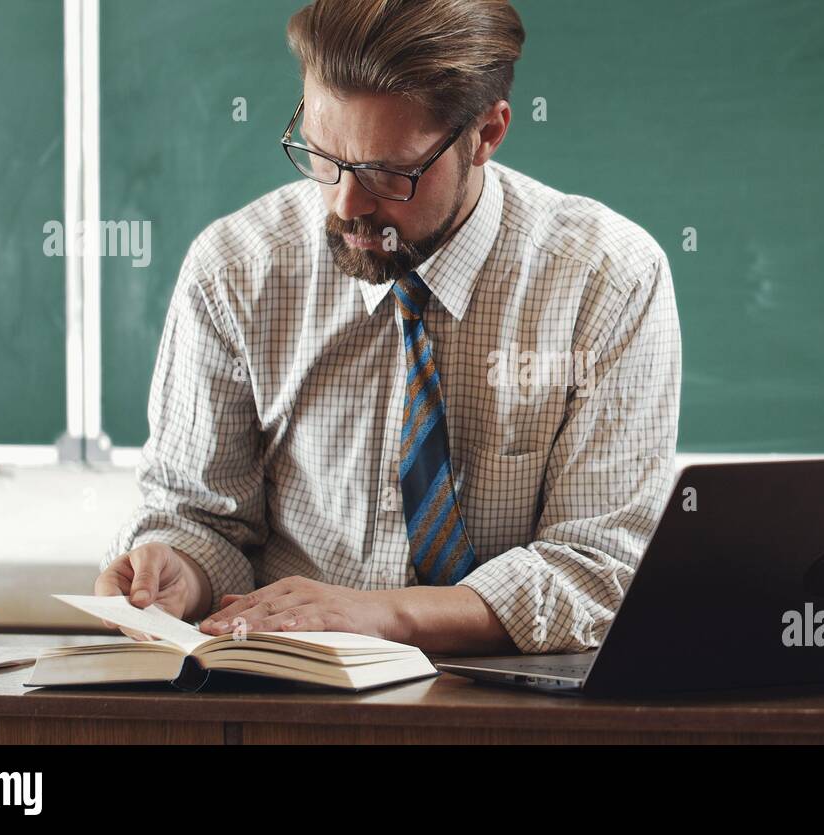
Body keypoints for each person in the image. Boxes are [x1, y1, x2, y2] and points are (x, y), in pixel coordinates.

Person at [95, 0, 681, 656]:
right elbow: (201, 521)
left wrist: (383, 615)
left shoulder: (608, 279)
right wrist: (180, 570)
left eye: (387, 172)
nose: (345, 205)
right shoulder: (234, 269)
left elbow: (599, 567)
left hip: (513, 695)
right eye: (322, 156)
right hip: (289, 685)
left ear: (486, 134)